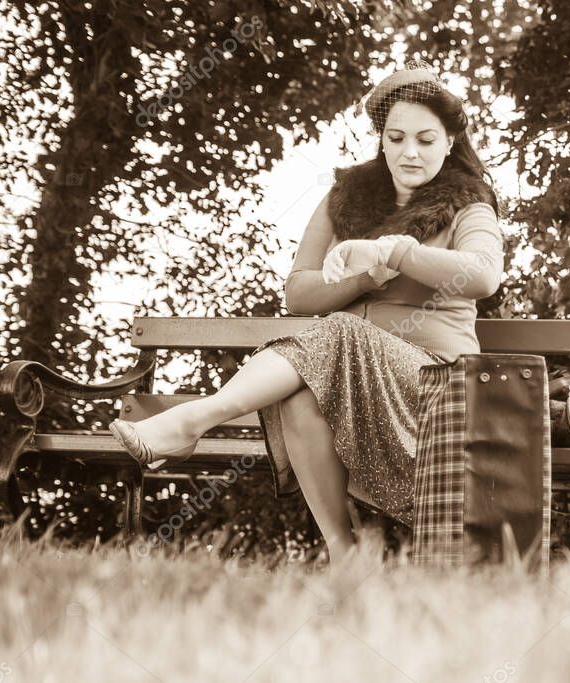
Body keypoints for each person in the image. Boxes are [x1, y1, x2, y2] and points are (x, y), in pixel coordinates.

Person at [109, 60, 505, 568]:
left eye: (426, 140)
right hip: (350, 378)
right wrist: (366, 278)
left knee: (340, 331)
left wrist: (394, 251)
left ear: (449, 142)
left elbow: (483, 276)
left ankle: (193, 419)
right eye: (397, 137)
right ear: (382, 140)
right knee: (299, 394)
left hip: (434, 386)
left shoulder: (470, 206)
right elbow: (298, 294)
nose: (410, 151)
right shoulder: (344, 200)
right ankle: (346, 556)